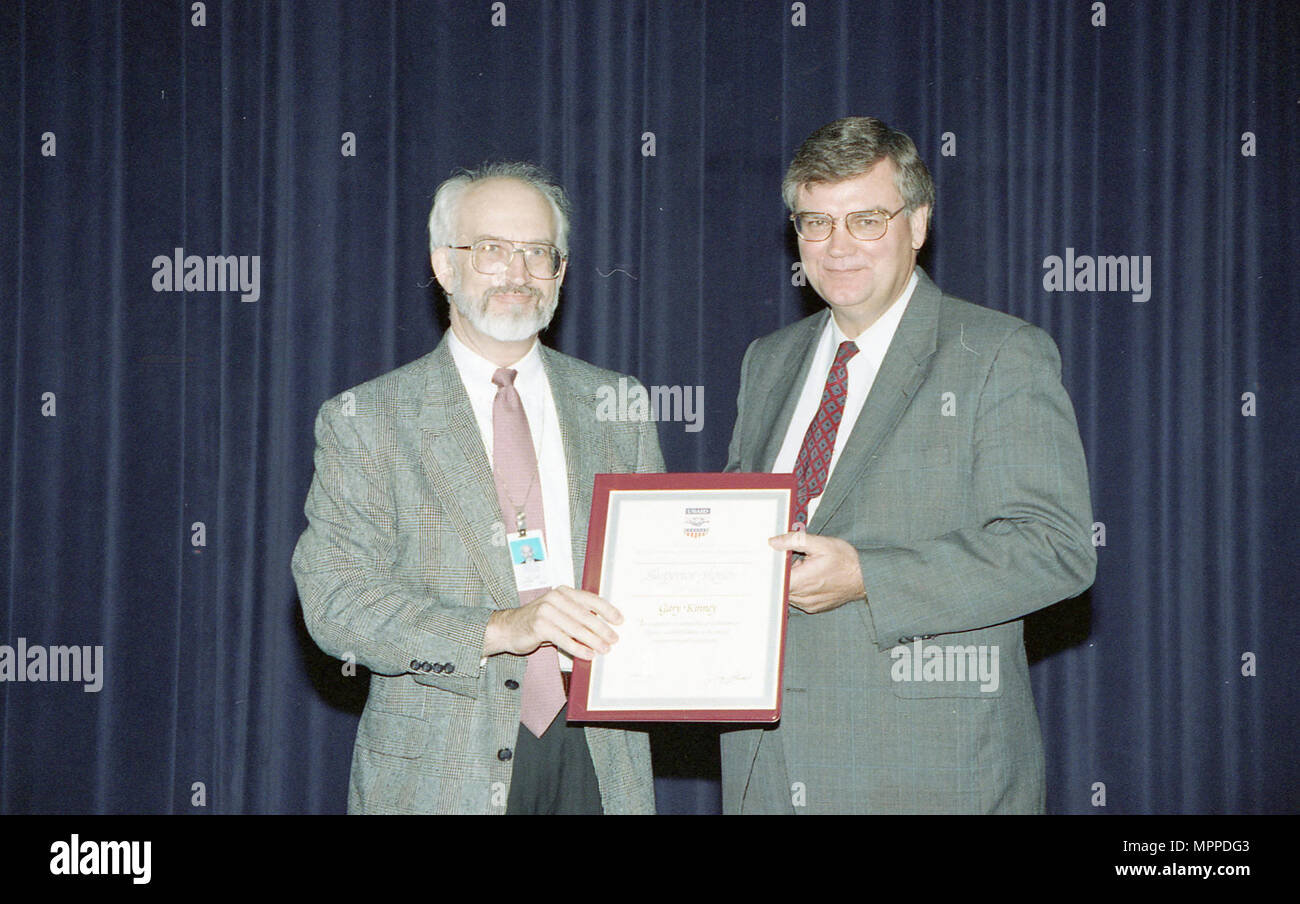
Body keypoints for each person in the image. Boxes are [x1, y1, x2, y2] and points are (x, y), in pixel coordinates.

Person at [721, 117, 1096, 813]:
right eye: (815, 222)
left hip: (926, 769)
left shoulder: (998, 353)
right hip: (764, 762)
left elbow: (1058, 550)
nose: (837, 248)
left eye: (866, 220)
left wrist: (870, 577)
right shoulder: (767, 361)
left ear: (918, 222)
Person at [292, 161, 663, 814]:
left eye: (537, 254)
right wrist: (500, 628)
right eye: (492, 250)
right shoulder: (368, 420)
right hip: (441, 771)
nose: (517, 273)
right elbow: (336, 603)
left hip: (602, 757)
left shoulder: (619, 405)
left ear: (562, 272)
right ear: (444, 265)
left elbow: (657, 580)